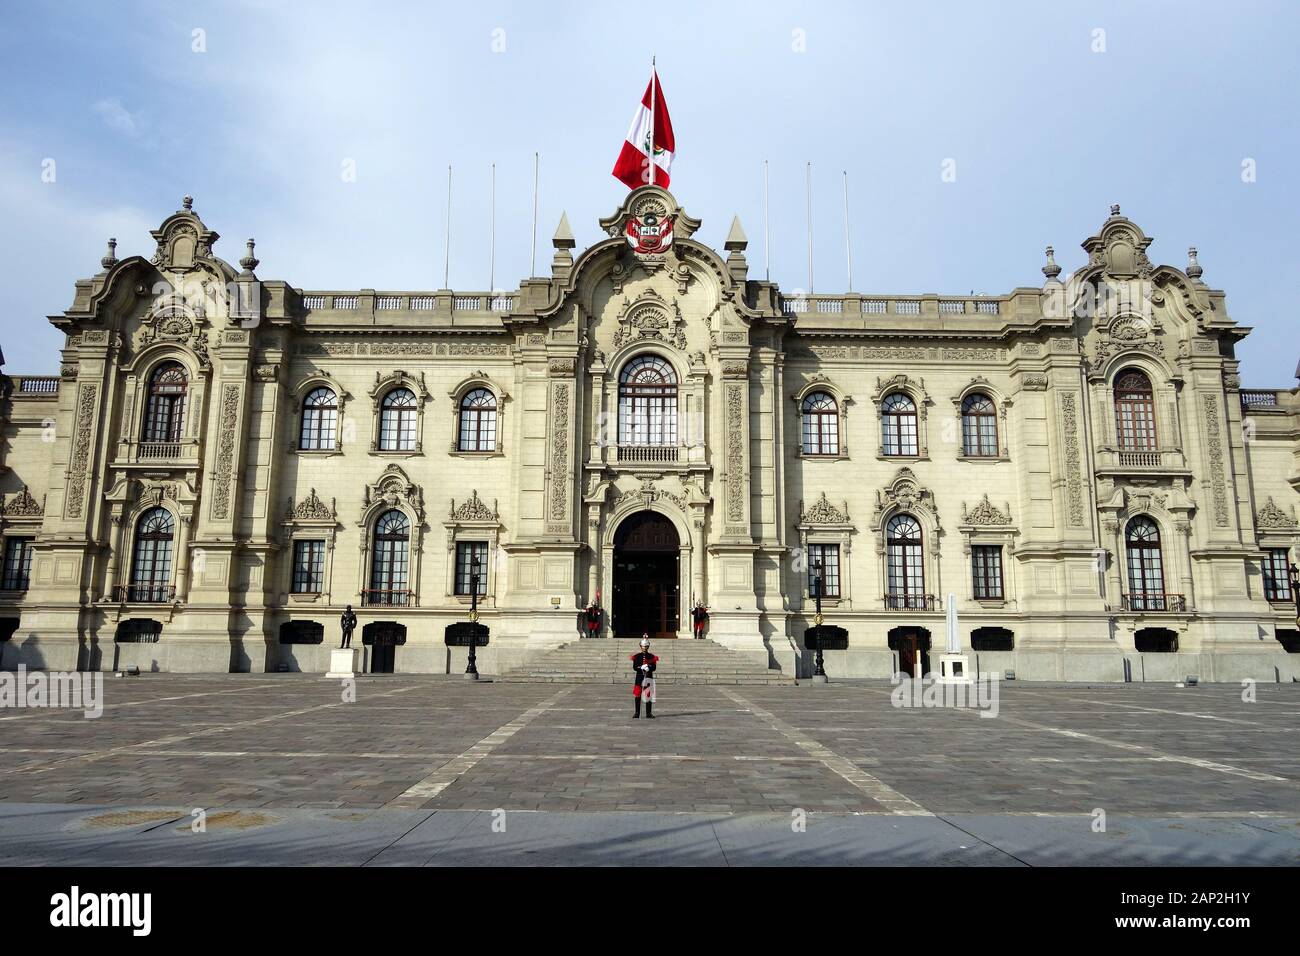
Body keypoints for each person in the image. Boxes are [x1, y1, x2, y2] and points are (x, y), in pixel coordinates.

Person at [630, 635, 658, 719]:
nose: (644, 648)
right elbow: (635, 667)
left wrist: (648, 667)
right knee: (637, 695)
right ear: (640, 647)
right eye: (643, 646)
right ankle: (637, 712)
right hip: (639, 677)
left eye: (646, 646)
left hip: (648, 677)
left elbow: (654, 668)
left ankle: (648, 713)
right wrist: (640, 667)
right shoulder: (637, 656)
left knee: (648, 696)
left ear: (648, 647)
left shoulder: (652, 657)